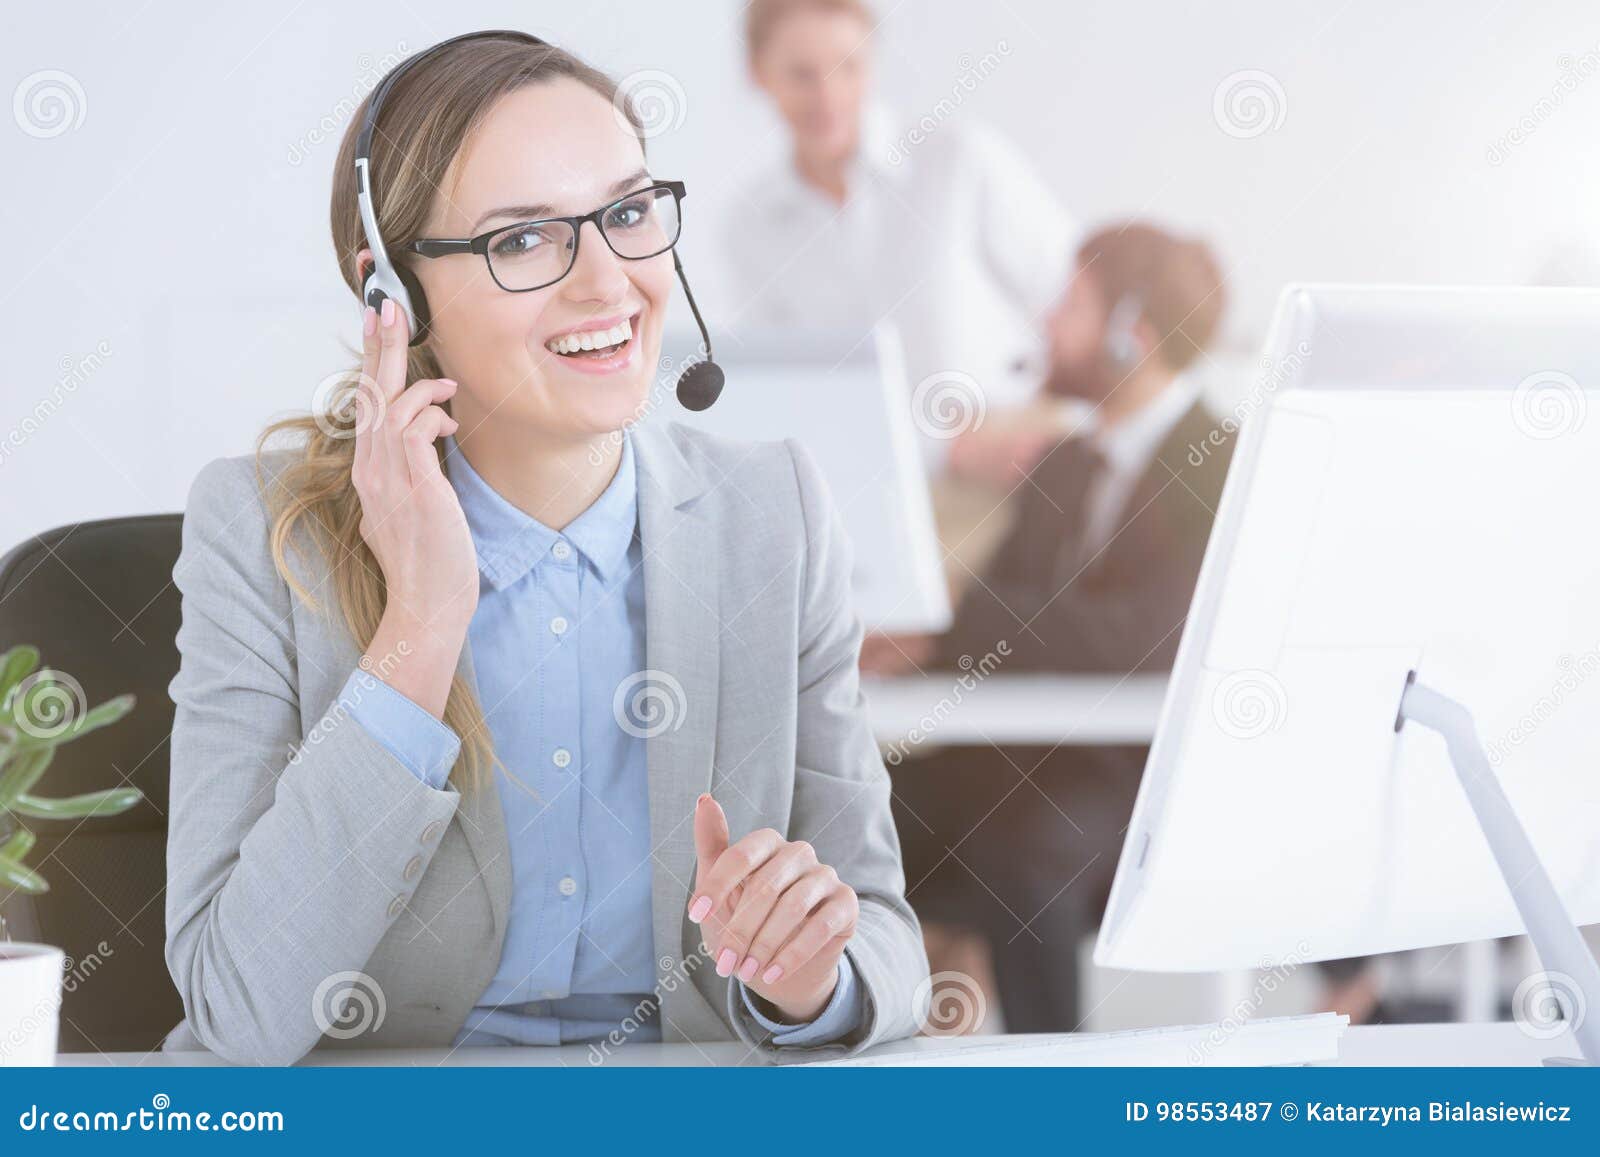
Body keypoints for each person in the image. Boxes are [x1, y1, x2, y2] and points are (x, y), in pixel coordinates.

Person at [161, 30, 927, 1066]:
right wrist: (421, 622)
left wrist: (808, 979)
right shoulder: (262, 533)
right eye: (523, 239)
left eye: (625, 212)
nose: (607, 282)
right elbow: (238, 1018)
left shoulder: (769, 513)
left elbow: (881, 933)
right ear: (391, 289)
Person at [862, 222, 1234, 1030]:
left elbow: (1148, 634)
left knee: (1023, 854)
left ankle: (1060, 1105)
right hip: (1023, 759)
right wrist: (909, 646)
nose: (1046, 326)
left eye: (1070, 304)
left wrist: (952, 633)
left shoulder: (1218, 456)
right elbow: (996, 612)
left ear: (1131, 329)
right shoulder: (1064, 461)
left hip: (1136, 778)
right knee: (854, 814)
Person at [723, 0, 1081, 576]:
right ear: (758, 74)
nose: (828, 96)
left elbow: (1074, 300)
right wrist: (945, 451)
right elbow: (791, 395)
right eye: (801, 74)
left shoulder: (956, 162)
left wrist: (1056, 433)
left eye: (848, 67)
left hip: (1021, 455)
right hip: (878, 481)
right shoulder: (752, 226)